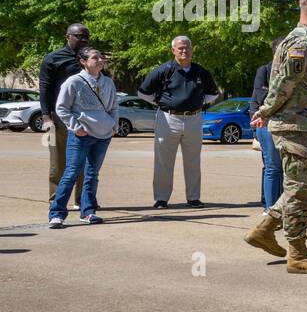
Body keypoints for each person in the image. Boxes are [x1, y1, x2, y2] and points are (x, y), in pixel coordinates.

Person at [244, 0, 307, 274]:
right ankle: (297, 253)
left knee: (303, 187)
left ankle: (264, 229)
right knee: (302, 190)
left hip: (302, 126)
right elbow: (284, 83)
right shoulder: (303, 42)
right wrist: (266, 109)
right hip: (295, 127)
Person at [137, 35, 219, 209]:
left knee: (193, 161)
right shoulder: (164, 70)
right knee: (163, 161)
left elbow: (214, 93)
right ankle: (161, 199)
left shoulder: (201, 71)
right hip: (168, 119)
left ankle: (193, 198)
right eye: (180, 48)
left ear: (192, 50)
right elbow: (143, 92)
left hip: (194, 119)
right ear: (173, 50)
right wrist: (162, 103)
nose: (184, 50)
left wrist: (198, 103)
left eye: (187, 47)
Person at [48, 47, 117, 228]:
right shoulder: (74, 82)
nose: (100, 60)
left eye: (101, 57)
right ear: (83, 61)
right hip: (81, 135)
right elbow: (62, 108)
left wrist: (113, 125)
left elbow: (113, 107)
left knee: (92, 174)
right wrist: (76, 127)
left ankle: (87, 212)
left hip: (103, 135)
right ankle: (57, 214)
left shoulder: (108, 82)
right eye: (95, 58)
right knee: (71, 172)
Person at [39, 23, 90, 205]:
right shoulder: (53, 58)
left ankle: (82, 199)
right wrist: (46, 116)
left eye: (86, 37)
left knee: (84, 160)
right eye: (78, 36)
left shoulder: (91, 58)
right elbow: (44, 88)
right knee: (58, 161)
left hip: (85, 116)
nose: (83, 40)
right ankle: (56, 198)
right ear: (67, 36)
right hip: (59, 116)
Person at [251, 38, 286, 213]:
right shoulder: (264, 71)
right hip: (266, 124)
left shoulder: (290, 72)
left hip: (286, 124)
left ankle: (279, 206)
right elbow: (260, 98)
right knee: (273, 167)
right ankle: (271, 209)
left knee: (284, 169)